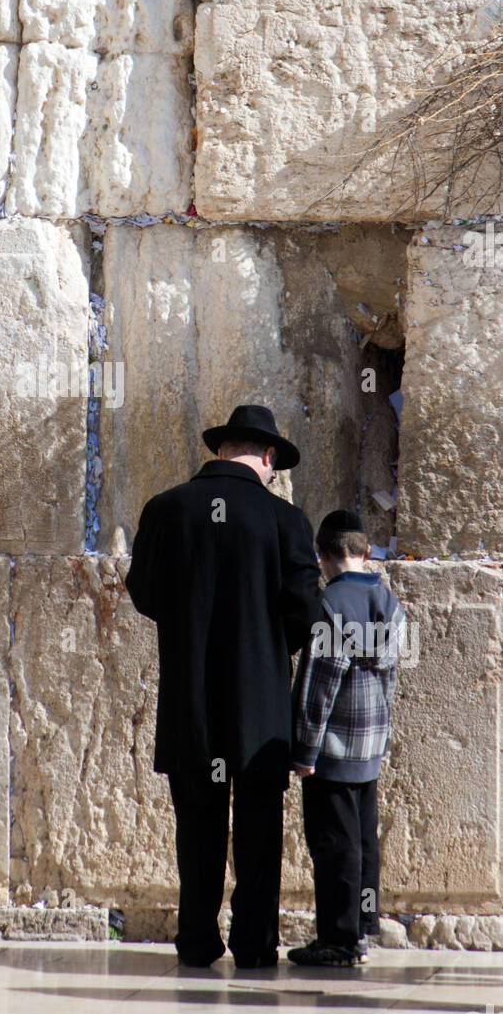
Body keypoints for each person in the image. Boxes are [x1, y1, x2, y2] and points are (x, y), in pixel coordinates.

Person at [125, 404, 322, 969]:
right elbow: (307, 616)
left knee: (198, 827)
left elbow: (144, 594)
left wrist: (191, 619)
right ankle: (255, 945)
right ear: (267, 457)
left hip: (191, 704)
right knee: (258, 833)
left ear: (219, 451)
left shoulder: (165, 510)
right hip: (259, 710)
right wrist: (266, 641)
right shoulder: (287, 522)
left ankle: (197, 942)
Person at [288, 509, 405, 969]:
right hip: (370, 743)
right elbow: (391, 676)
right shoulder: (390, 603)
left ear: (323, 555)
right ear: (364, 551)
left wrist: (304, 751)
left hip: (333, 747)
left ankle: (337, 938)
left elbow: (321, 684)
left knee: (334, 842)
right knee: (363, 837)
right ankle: (362, 923)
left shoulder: (329, 608)